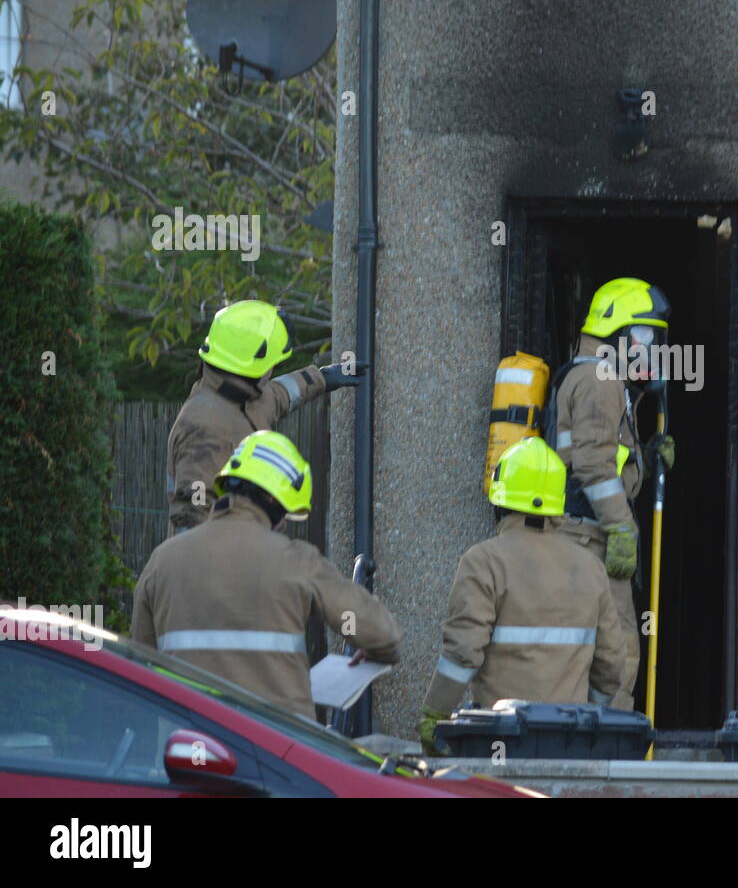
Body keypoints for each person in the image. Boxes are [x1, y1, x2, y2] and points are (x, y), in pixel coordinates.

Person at [133, 430, 401, 720]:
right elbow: (382, 633)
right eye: (285, 512)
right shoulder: (296, 560)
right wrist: (374, 648)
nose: (284, 523)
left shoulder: (162, 560)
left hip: (189, 743)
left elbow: (139, 662)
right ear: (274, 503)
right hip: (279, 750)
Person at [418, 437, 624, 755]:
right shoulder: (590, 567)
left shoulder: (483, 560)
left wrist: (436, 714)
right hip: (569, 742)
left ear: (500, 499)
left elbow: (463, 654)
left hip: (500, 738)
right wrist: (588, 711)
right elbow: (611, 665)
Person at [551, 277, 674, 711]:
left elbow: (607, 458)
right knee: (617, 653)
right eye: (643, 334)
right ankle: (610, 754)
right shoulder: (600, 381)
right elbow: (591, 466)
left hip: (585, 537)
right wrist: (622, 529)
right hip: (587, 538)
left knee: (605, 652)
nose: (651, 346)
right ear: (615, 333)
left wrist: (646, 457)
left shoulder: (606, 381)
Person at [165, 299, 365, 535]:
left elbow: (280, 393)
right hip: (221, 562)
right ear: (255, 369)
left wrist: (324, 378)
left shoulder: (240, 398)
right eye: (271, 364)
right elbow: (192, 516)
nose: (272, 371)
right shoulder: (205, 428)